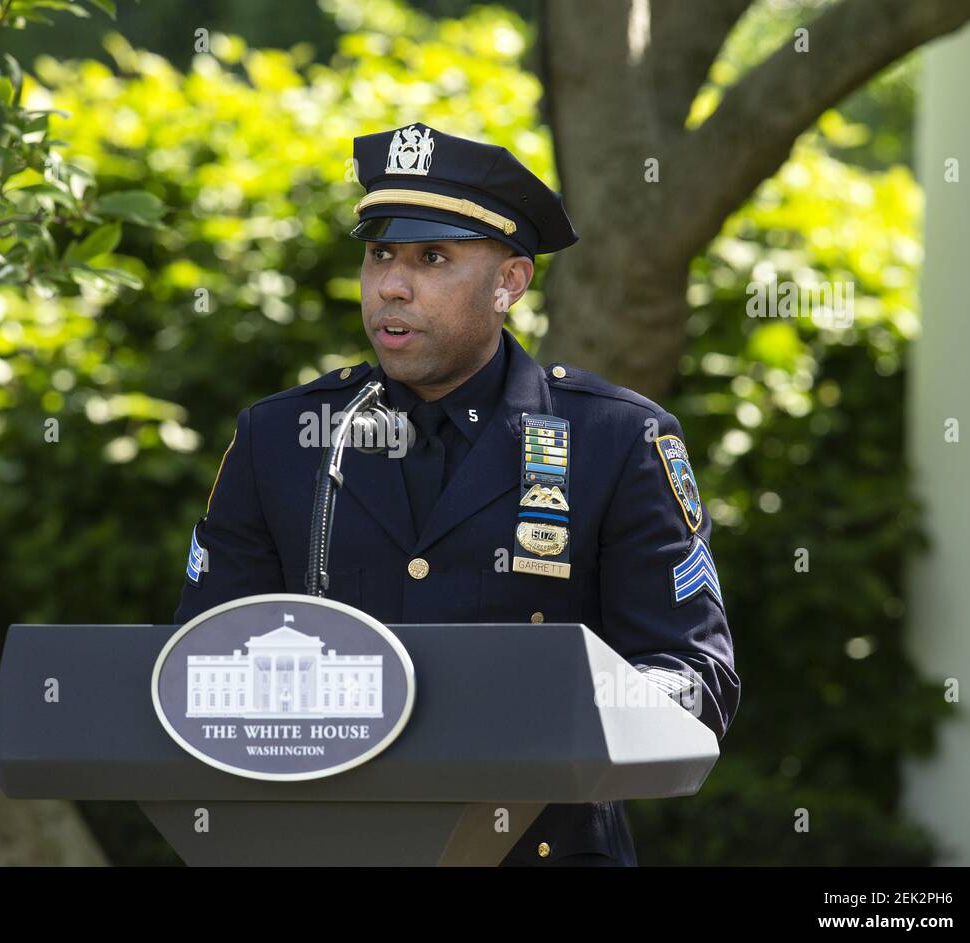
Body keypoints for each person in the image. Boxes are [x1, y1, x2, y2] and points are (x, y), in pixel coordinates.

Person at [173, 123, 740, 866]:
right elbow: (199, 663)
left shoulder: (614, 439)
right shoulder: (283, 438)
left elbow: (697, 679)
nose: (391, 286)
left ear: (509, 282)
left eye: (431, 258)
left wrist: (560, 706)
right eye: (380, 255)